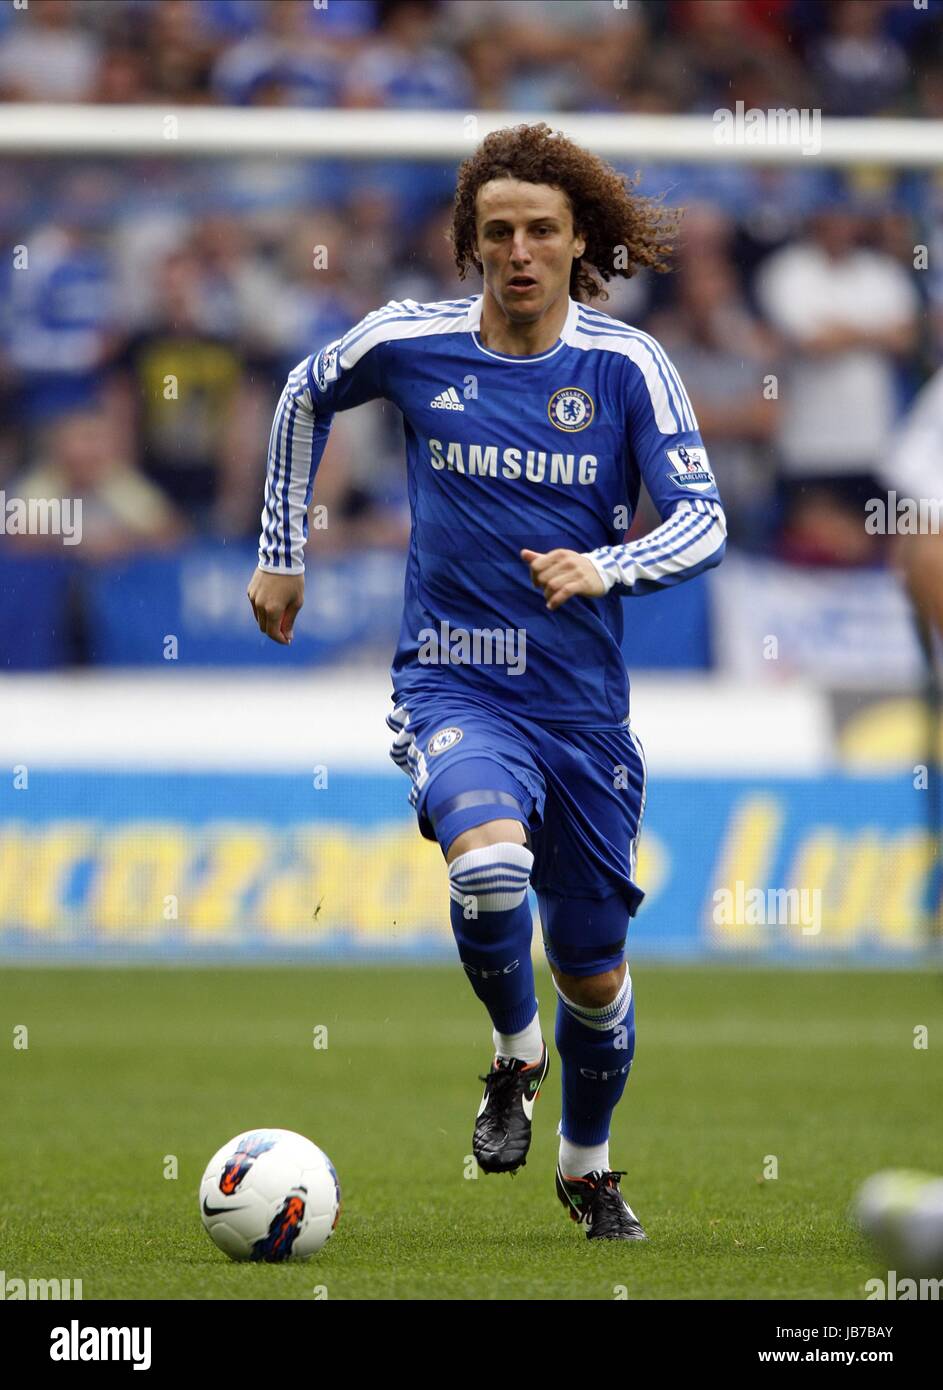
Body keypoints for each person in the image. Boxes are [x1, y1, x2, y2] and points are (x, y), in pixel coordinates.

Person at [247, 123, 726, 1240]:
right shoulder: (408, 342)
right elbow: (302, 393)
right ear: (469, 244)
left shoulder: (624, 365)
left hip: (582, 710)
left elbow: (703, 523)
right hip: (454, 685)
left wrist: (604, 564)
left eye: (541, 232)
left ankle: (586, 1163)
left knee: (595, 973)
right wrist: (282, 548)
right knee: (489, 864)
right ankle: (514, 1051)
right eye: (497, 231)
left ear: (575, 244)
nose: (518, 250)